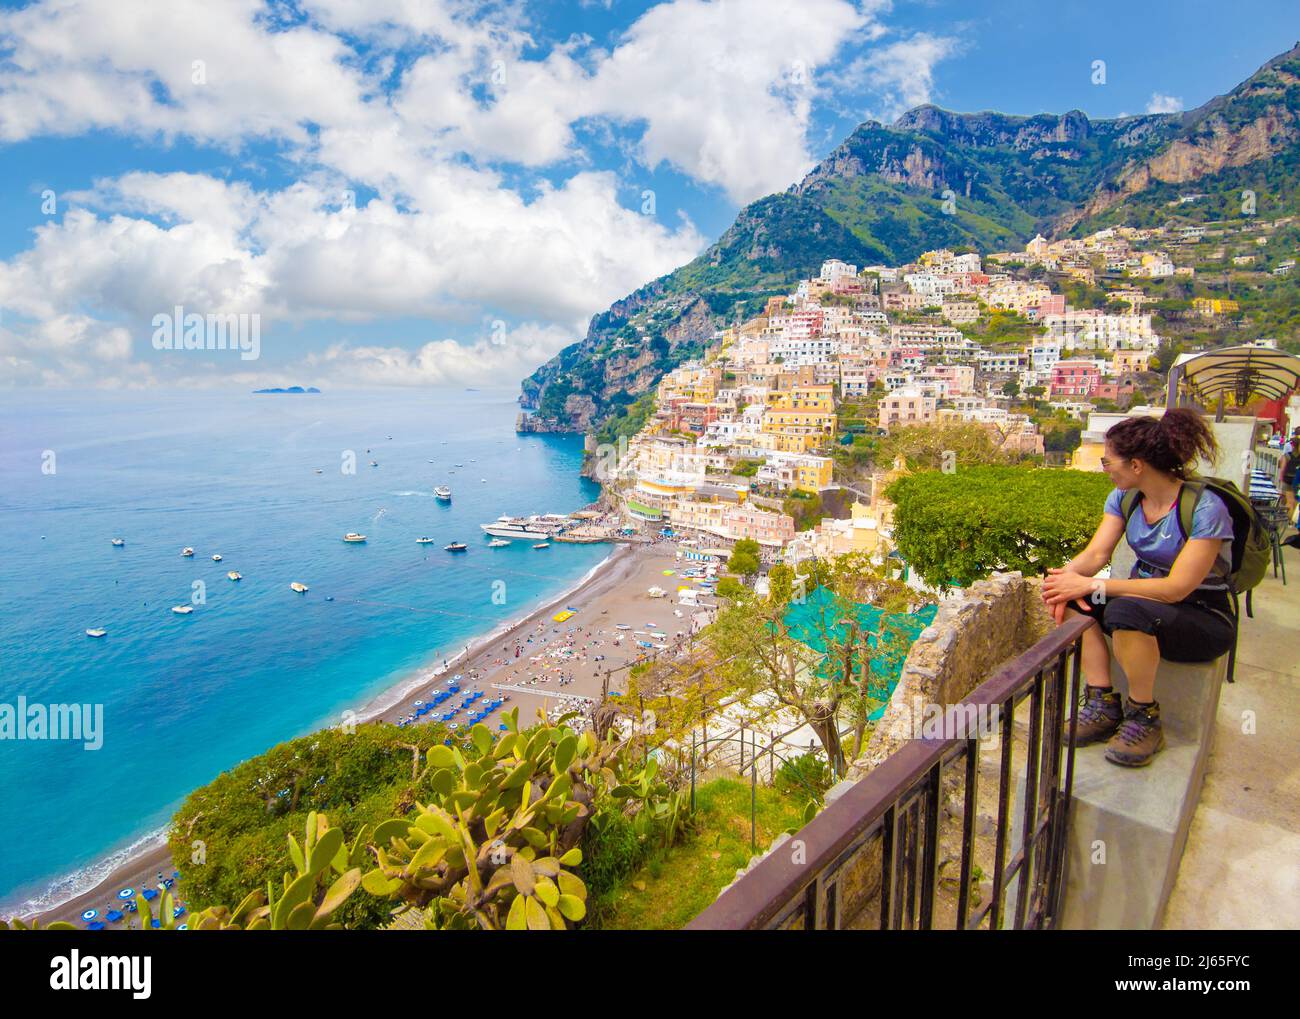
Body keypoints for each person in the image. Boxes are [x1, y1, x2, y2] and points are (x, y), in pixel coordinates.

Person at [1042, 409, 1235, 767]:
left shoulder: (1205, 509)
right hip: (1143, 601)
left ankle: (1144, 715)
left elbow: (1177, 588)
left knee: (1122, 608)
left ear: (1136, 465)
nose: (1105, 468)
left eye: (1107, 460)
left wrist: (1093, 583)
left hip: (1201, 616)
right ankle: (1102, 701)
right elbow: (1097, 553)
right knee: (1076, 596)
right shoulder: (1125, 499)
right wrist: (1063, 581)